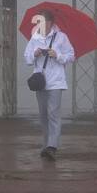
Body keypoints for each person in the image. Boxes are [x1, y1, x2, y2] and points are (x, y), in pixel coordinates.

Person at [23, 10, 75, 161]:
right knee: (43, 114)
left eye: (44, 22)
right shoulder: (35, 38)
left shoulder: (61, 37)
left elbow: (71, 56)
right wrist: (35, 53)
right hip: (40, 81)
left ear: (51, 23)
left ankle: (52, 146)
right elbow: (27, 58)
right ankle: (46, 145)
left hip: (56, 81)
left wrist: (57, 55)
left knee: (53, 113)